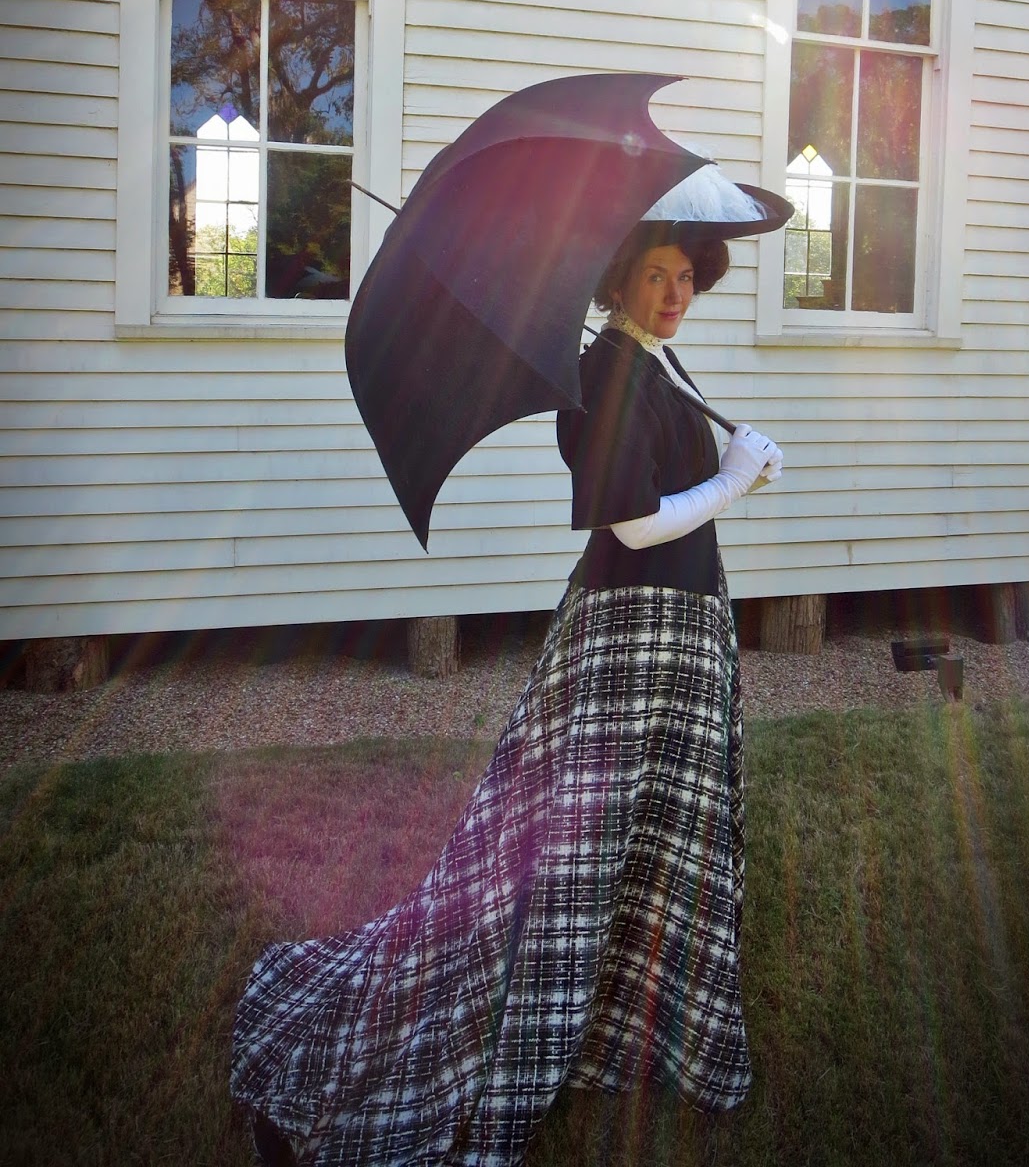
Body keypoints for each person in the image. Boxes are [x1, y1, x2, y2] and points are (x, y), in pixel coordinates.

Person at [231, 207, 782, 1167]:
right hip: (632, 645)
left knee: (639, 839)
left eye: (688, 275)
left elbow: (674, 496)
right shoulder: (604, 372)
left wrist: (736, 468)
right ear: (616, 281)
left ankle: (623, 1019)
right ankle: (520, 1021)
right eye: (656, 275)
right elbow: (629, 524)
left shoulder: (650, 361)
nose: (675, 292)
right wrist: (734, 479)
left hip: (678, 637)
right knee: (574, 851)